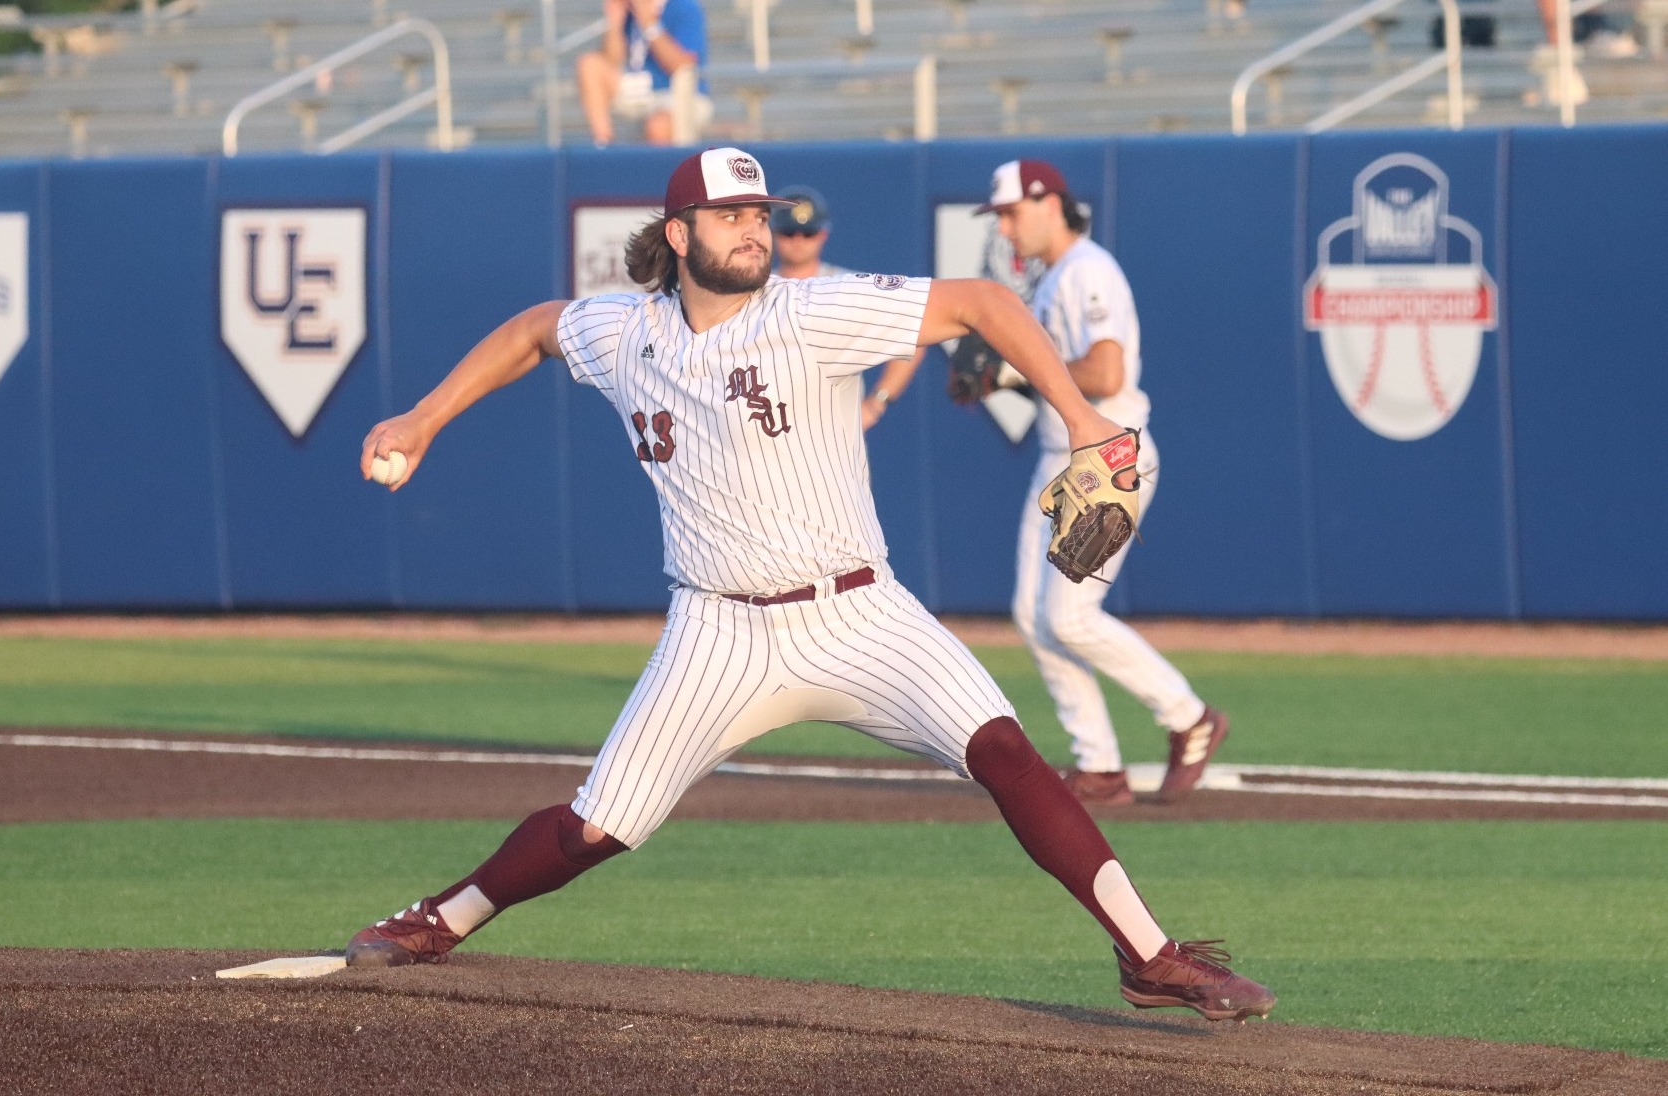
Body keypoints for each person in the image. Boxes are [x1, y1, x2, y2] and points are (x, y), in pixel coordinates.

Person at [345, 147, 1275, 1023]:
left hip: (860, 612)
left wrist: (1078, 417)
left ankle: (1150, 955)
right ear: (679, 235)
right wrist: (424, 418)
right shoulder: (624, 331)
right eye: (732, 215)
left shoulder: (809, 310)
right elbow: (533, 331)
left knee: (1004, 750)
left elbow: (985, 304)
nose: (755, 229)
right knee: (598, 829)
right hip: (717, 630)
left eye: (762, 212)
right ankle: (443, 917)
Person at [980, 159, 1230, 807]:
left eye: (1011, 213)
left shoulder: (1087, 269)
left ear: (1049, 203)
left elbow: (1107, 373)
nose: (1005, 228)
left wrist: (1014, 375)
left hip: (1107, 460)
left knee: (1068, 615)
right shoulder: (1057, 273)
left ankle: (1187, 715)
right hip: (1066, 461)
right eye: (1000, 216)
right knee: (1034, 618)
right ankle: (1099, 765)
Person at [772, 183, 921, 430]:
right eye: (789, 232)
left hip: (836, 431)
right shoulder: (755, 290)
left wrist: (876, 402)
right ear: (774, 233)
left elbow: (914, 331)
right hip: (767, 431)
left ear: (823, 234)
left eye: (807, 232)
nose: (798, 240)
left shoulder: (848, 287)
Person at [576, 0, 712, 147]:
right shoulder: (629, 11)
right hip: (638, 88)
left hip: (678, 94)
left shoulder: (684, 7)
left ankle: (661, 169)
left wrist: (650, 24)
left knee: (659, 126)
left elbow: (683, 66)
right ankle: (603, 145)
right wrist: (614, 22)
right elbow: (612, 61)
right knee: (589, 64)